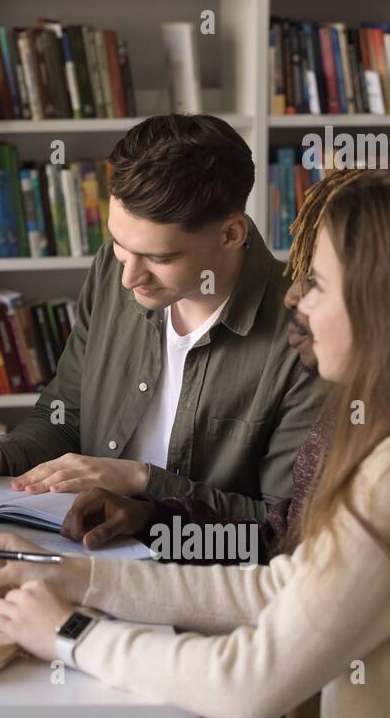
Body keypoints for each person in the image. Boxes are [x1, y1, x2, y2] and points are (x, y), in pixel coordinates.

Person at [0, 169, 390, 717]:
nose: (294, 298)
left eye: (315, 282)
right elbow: (286, 587)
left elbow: (245, 684)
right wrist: (72, 577)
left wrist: (70, 632)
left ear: (388, 313)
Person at [0, 115, 325, 541]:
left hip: (207, 579)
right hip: (83, 545)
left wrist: (142, 482)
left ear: (231, 234)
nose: (129, 279)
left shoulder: (306, 334)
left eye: (159, 259)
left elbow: (284, 528)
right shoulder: (115, 268)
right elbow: (67, 414)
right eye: (119, 246)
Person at [63, 168, 370, 558]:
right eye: (120, 246)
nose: (293, 298)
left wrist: (144, 490)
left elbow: (283, 561)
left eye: (317, 283)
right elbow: (280, 536)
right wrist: (150, 520)